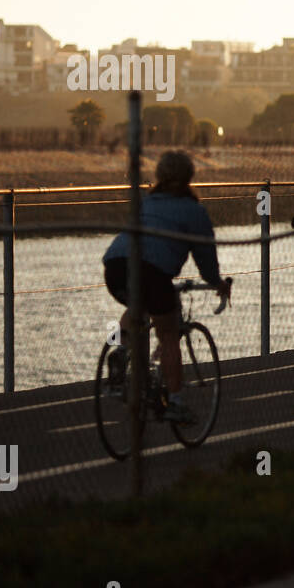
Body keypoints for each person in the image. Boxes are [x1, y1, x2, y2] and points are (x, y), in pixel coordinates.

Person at [102, 150, 230, 421]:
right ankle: (175, 401)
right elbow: (206, 259)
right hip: (152, 272)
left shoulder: (146, 203)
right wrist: (217, 283)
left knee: (137, 305)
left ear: (158, 176)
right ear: (189, 178)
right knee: (169, 335)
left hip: (115, 265)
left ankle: (120, 351)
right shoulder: (194, 211)